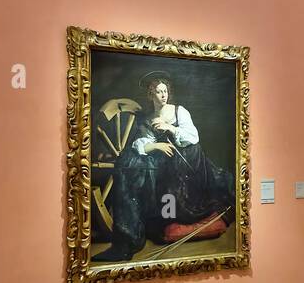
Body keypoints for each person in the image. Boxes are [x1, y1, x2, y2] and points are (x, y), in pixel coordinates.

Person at [94, 72, 234, 262]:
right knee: (135, 160)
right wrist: (156, 145)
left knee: (168, 165)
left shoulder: (179, 111)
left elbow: (193, 137)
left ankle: (171, 213)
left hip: (190, 162)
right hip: (168, 161)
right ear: (151, 95)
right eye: (158, 92)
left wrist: (170, 128)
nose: (163, 95)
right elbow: (143, 143)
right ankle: (130, 236)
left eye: (165, 91)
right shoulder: (148, 118)